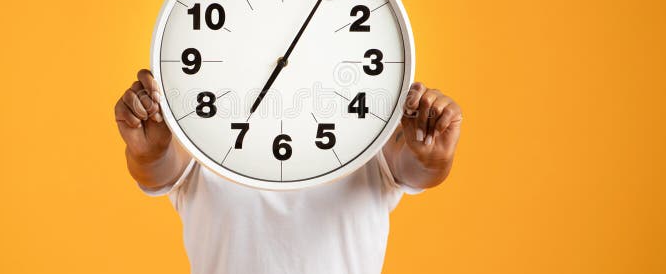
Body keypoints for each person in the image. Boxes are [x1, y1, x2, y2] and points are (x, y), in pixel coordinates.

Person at [115, 69, 462, 274]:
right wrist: (150, 148)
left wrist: (431, 150)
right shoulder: (204, 134)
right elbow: (155, 169)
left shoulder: (367, 138)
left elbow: (419, 168)